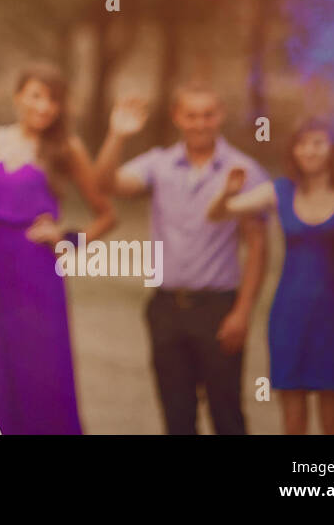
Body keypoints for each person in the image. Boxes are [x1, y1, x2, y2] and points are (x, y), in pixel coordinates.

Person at [94, 84, 269, 434]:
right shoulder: (159, 165)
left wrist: (242, 312)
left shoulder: (243, 170)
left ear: (220, 116)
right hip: (166, 309)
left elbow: (259, 247)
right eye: (191, 115)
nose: (200, 123)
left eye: (208, 115)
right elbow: (104, 183)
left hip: (218, 308)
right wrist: (116, 136)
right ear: (177, 117)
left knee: (227, 413)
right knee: (176, 415)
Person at [0, 61, 115, 434]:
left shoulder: (66, 148)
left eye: (53, 100)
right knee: (0, 373)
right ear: (18, 97)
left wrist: (67, 239)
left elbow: (107, 215)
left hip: (38, 274)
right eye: (36, 96)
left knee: (44, 376)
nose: (44, 107)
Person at [207, 118, 334, 434]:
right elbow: (217, 213)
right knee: (292, 416)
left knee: (333, 417)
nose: (310, 151)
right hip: (289, 313)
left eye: (318, 143)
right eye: (302, 144)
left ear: (333, 149)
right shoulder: (280, 191)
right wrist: (227, 192)